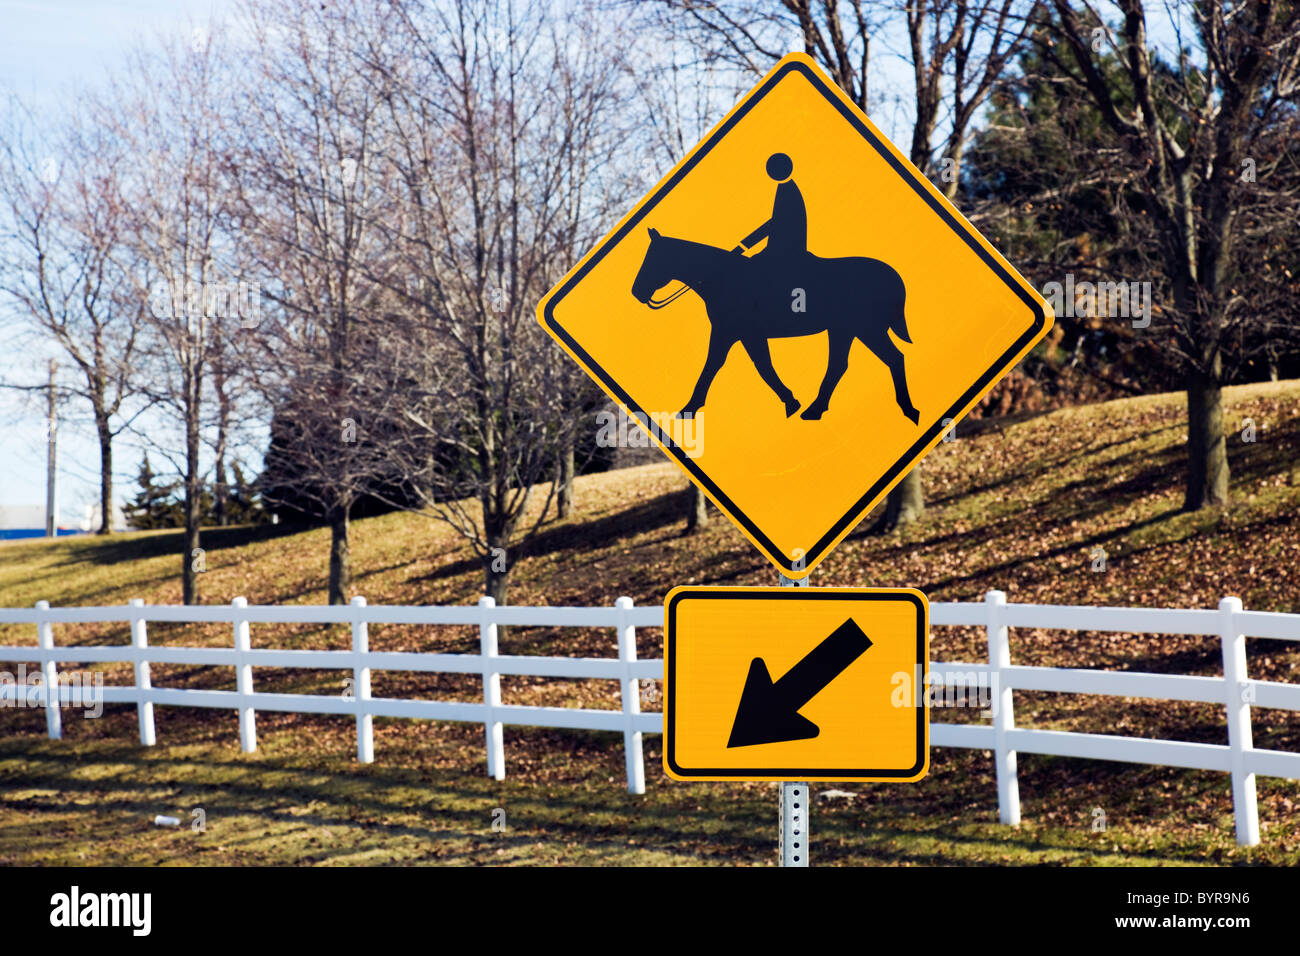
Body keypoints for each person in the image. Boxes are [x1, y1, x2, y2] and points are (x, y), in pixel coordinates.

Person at [735, 153, 807, 261]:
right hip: (781, 247)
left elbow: (775, 224)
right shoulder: (786, 188)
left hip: (784, 250)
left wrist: (743, 246)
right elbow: (774, 223)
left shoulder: (788, 192)